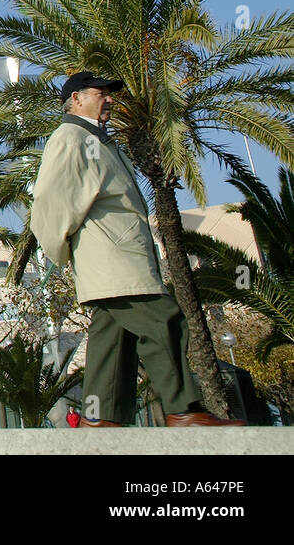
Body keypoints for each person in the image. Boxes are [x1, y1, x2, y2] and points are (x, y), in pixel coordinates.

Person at [29, 71, 241, 427]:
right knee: (165, 321)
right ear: (77, 99)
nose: (110, 98)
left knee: (111, 342)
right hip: (114, 262)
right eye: (102, 93)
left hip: (121, 261)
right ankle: (183, 410)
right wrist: (63, 252)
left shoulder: (97, 140)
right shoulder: (70, 137)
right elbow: (50, 204)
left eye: (111, 94)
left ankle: (101, 420)